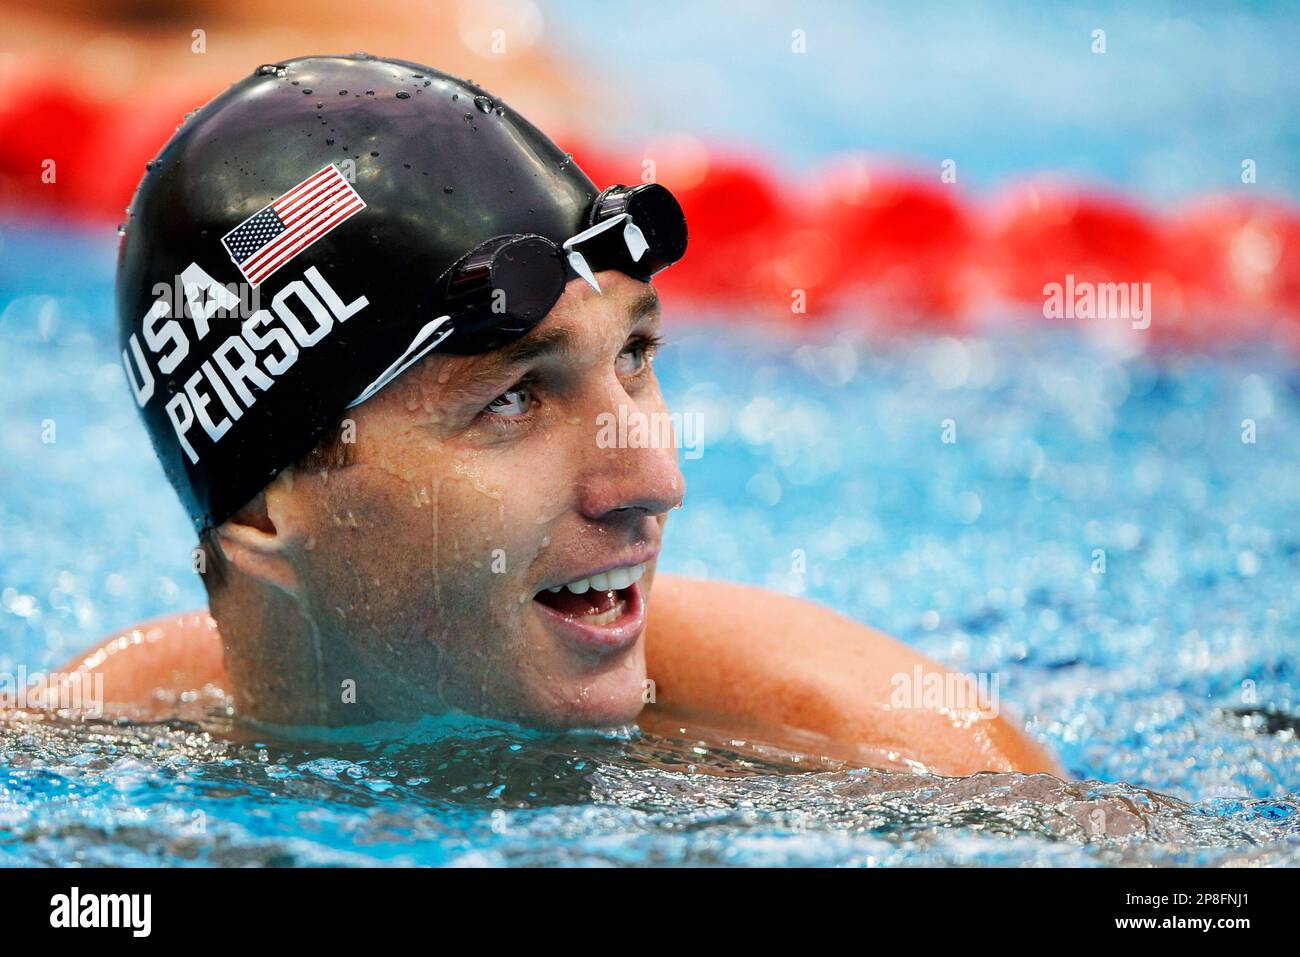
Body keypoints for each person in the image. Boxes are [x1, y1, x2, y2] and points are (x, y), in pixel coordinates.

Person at [58, 54, 1061, 777]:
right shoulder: (90, 757)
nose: (654, 481)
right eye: (514, 400)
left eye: (634, 356)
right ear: (270, 509)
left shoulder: (901, 770)